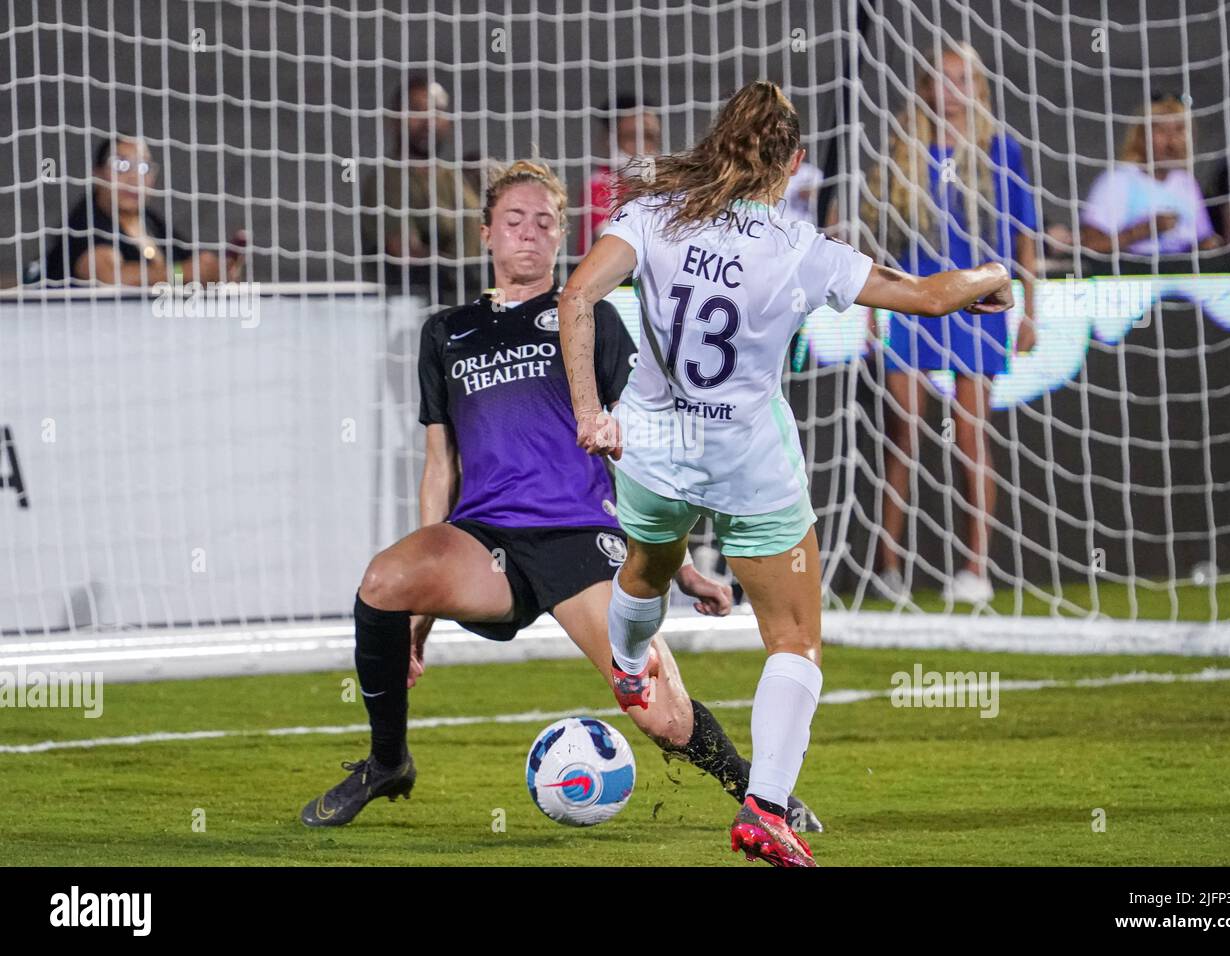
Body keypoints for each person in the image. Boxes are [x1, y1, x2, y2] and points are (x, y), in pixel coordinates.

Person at [559, 80, 1013, 866]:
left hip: (652, 446)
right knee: (794, 638)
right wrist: (991, 277)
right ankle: (765, 809)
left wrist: (588, 412)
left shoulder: (652, 215)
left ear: (717, 141)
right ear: (795, 162)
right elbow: (931, 298)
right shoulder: (802, 249)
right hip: (748, 462)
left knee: (650, 564)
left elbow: (576, 297)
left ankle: (629, 668)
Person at [302, 158, 823, 833]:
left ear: (562, 236)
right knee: (383, 583)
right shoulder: (446, 332)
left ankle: (755, 792)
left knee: (661, 715)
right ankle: (387, 761)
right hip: (485, 542)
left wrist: (680, 566)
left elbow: (647, 441)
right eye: (514, 220)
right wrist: (420, 615)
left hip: (583, 538)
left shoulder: (590, 318)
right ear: (486, 232)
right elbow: (440, 466)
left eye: (545, 222)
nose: (529, 232)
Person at [859, 43, 1039, 605]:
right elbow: (878, 238)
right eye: (942, 78)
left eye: (964, 79)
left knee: (970, 436)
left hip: (977, 305)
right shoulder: (902, 149)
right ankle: (888, 568)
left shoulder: (1001, 151)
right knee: (903, 433)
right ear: (925, 88)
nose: (952, 90)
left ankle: (975, 569)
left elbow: (1024, 237)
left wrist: (1031, 310)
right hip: (912, 303)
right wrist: (870, 310)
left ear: (978, 88)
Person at [42, 136, 244, 285]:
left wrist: (215, 271)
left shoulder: (149, 222)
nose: (133, 178)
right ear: (98, 174)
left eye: (143, 168)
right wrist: (182, 273)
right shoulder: (85, 224)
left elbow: (190, 263)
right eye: (121, 165)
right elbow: (109, 276)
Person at [361, 72, 482, 303]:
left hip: (475, 302)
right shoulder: (390, 180)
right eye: (417, 110)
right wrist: (468, 275)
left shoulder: (457, 177)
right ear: (395, 118)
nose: (429, 121)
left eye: (437, 111)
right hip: (426, 306)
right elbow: (405, 253)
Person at [1080, 95, 1222, 255]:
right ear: (1141, 137)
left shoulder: (1186, 182)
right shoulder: (1117, 180)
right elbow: (1091, 245)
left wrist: (1209, 243)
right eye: (1161, 131)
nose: (1172, 142)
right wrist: (1143, 231)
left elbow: (1203, 238)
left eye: (1179, 130)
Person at [578, 94, 661, 255]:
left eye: (649, 137)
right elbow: (611, 241)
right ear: (609, 140)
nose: (642, 147)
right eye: (632, 137)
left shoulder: (668, 184)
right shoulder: (598, 184)